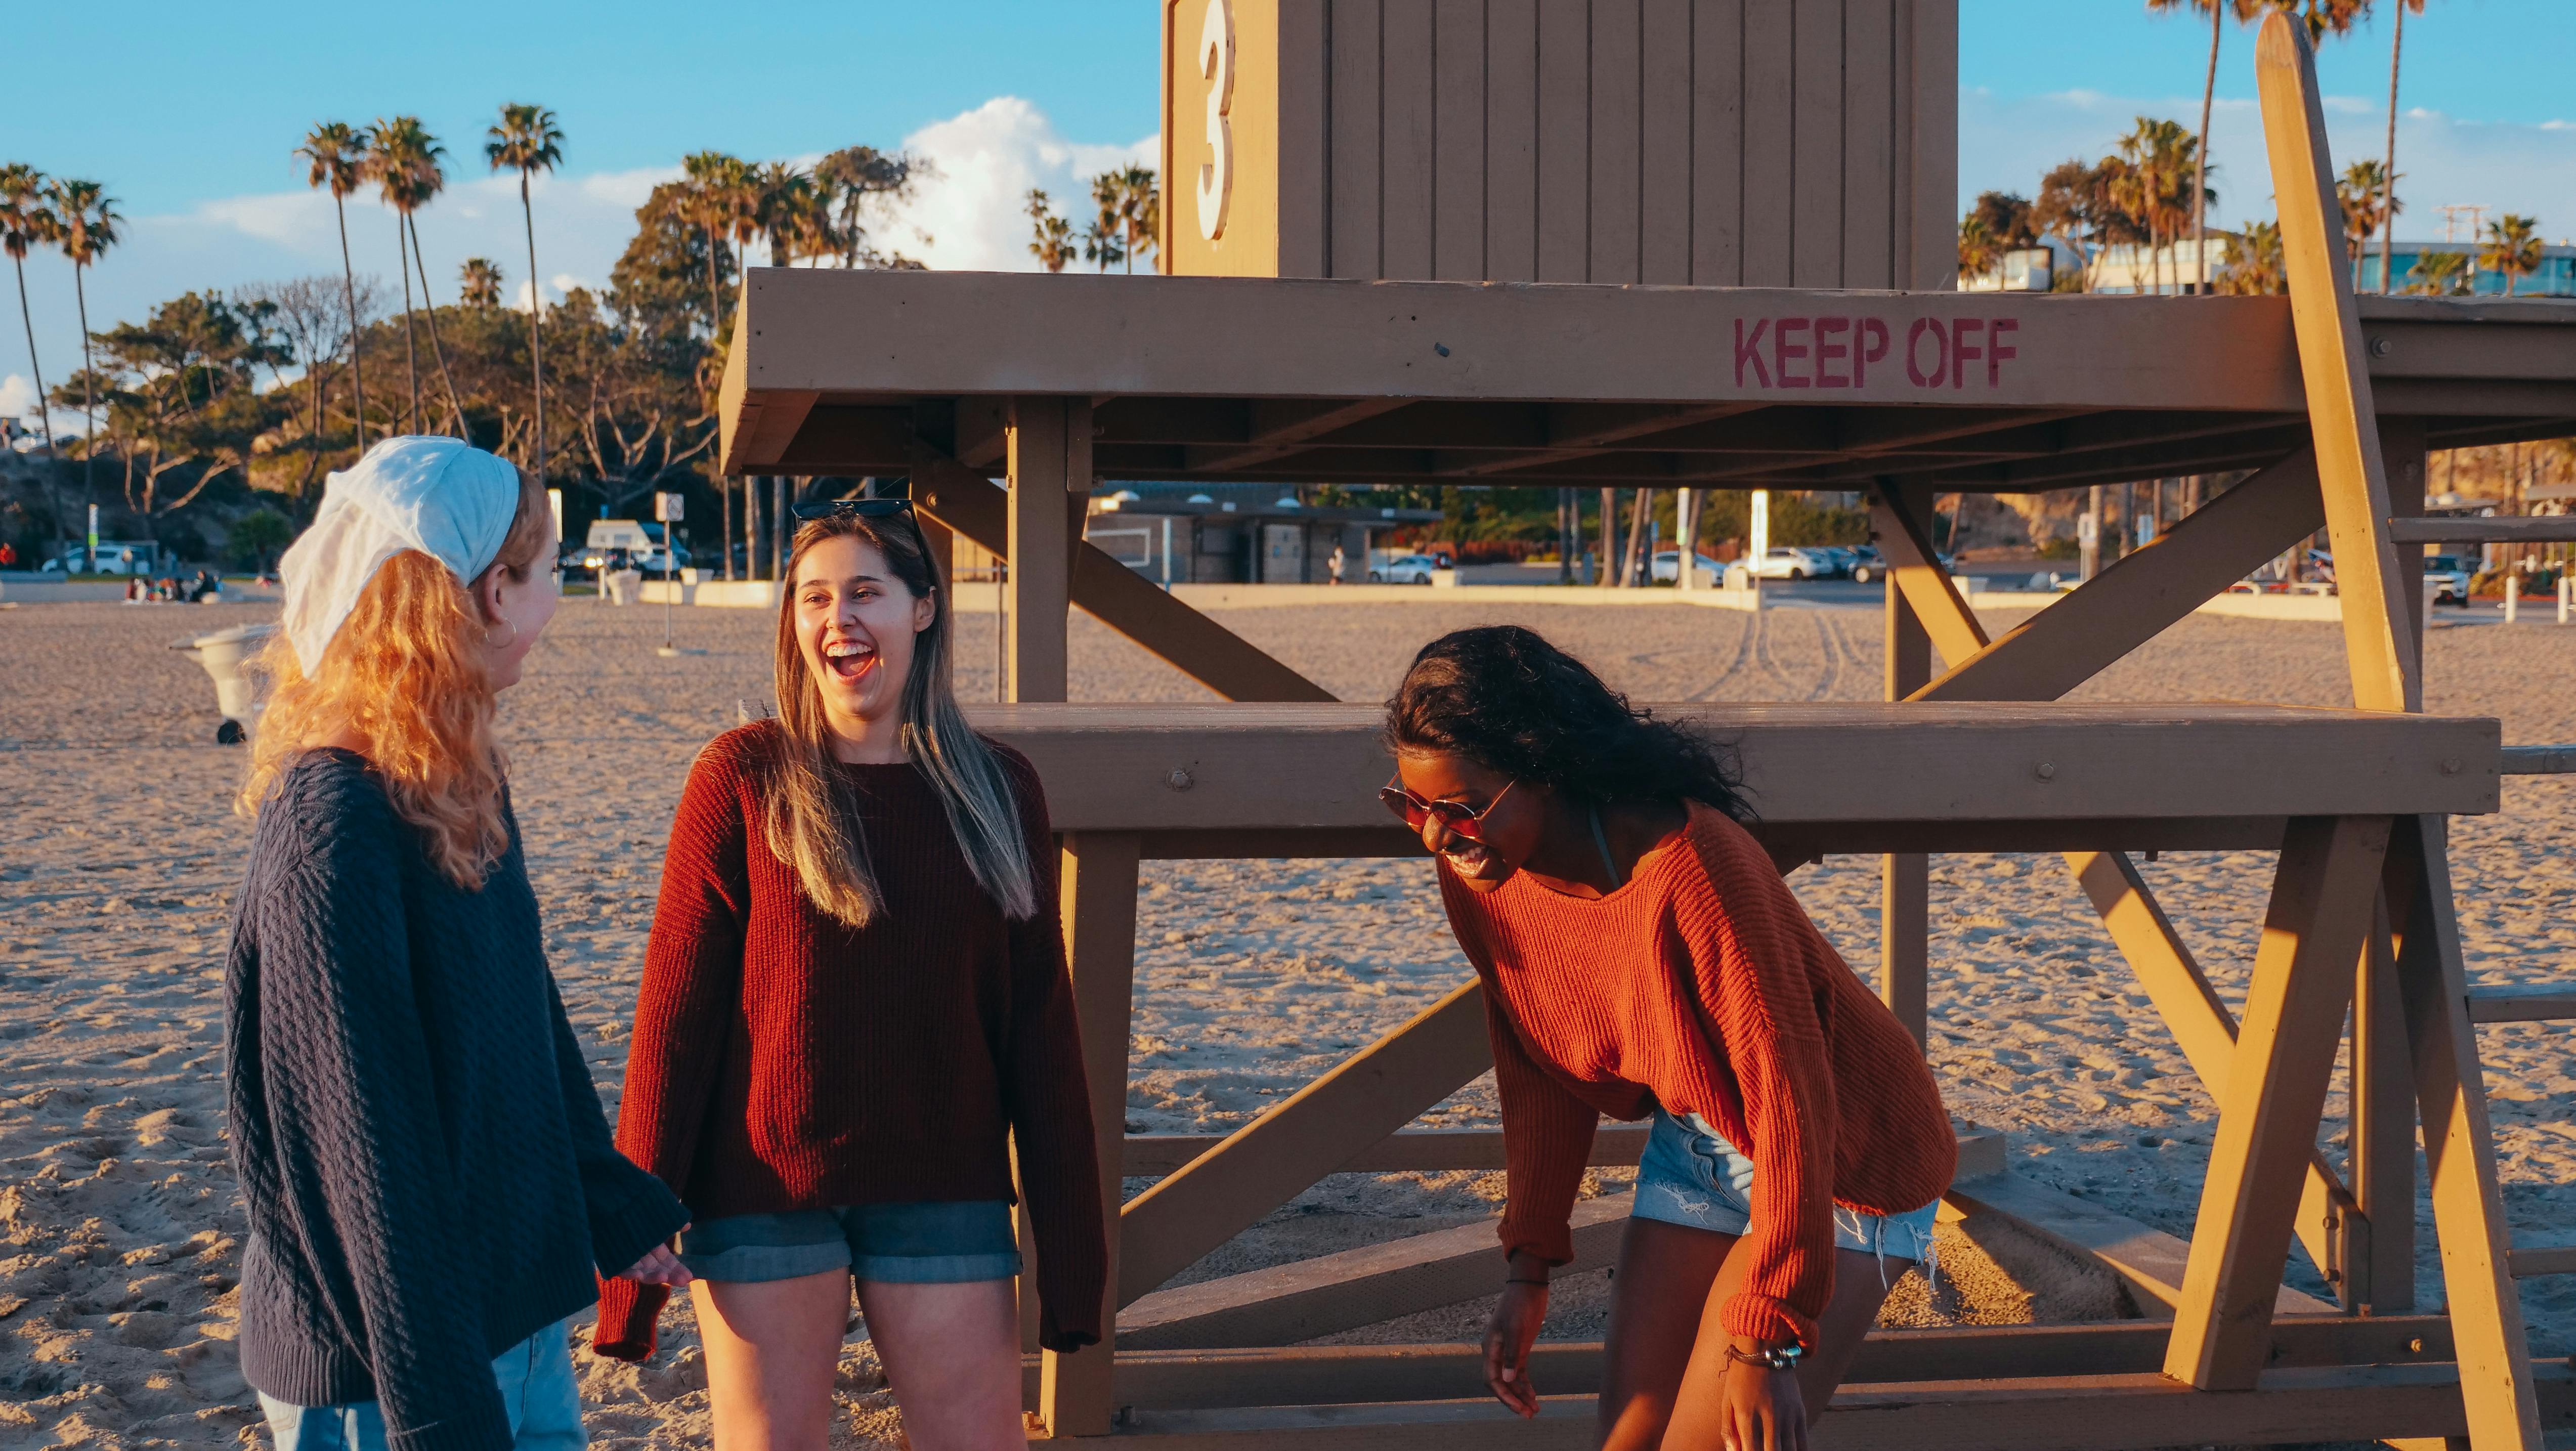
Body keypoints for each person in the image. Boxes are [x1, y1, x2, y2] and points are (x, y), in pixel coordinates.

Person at [595, 495, 1105, 1451]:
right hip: (759, 1190)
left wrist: (1073, 1265)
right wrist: (633, 1234)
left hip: (944, 1180)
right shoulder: (741, 776)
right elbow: (675, 1020)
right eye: (815, 599)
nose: (840, 621)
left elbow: (1040, 1031)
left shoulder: (1000, 788)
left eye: (866, 593)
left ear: (922, 609)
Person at [226, 436, 693, 1451]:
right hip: (387, 1372)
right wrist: (439, 1414)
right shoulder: (333, 827)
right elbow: (364, 1166)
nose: (555, 600)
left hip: (512, 1319)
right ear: (489, 595)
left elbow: (522, 1020)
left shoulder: (454, 779)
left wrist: (608, 1204)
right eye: (547, 570)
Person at [1380, 626, 1954, 1451]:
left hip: (1844, 1160)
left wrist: (1770, 1332)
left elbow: (1793, 1102)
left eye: (1461, 807)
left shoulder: (1694, 871)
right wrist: (1529, 1262)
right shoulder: (1480, 871)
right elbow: (1537, 1064)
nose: (1436, 835)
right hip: (1699, 1140)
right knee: (1627, 1442)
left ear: (1545, 768)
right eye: (1412, 806)